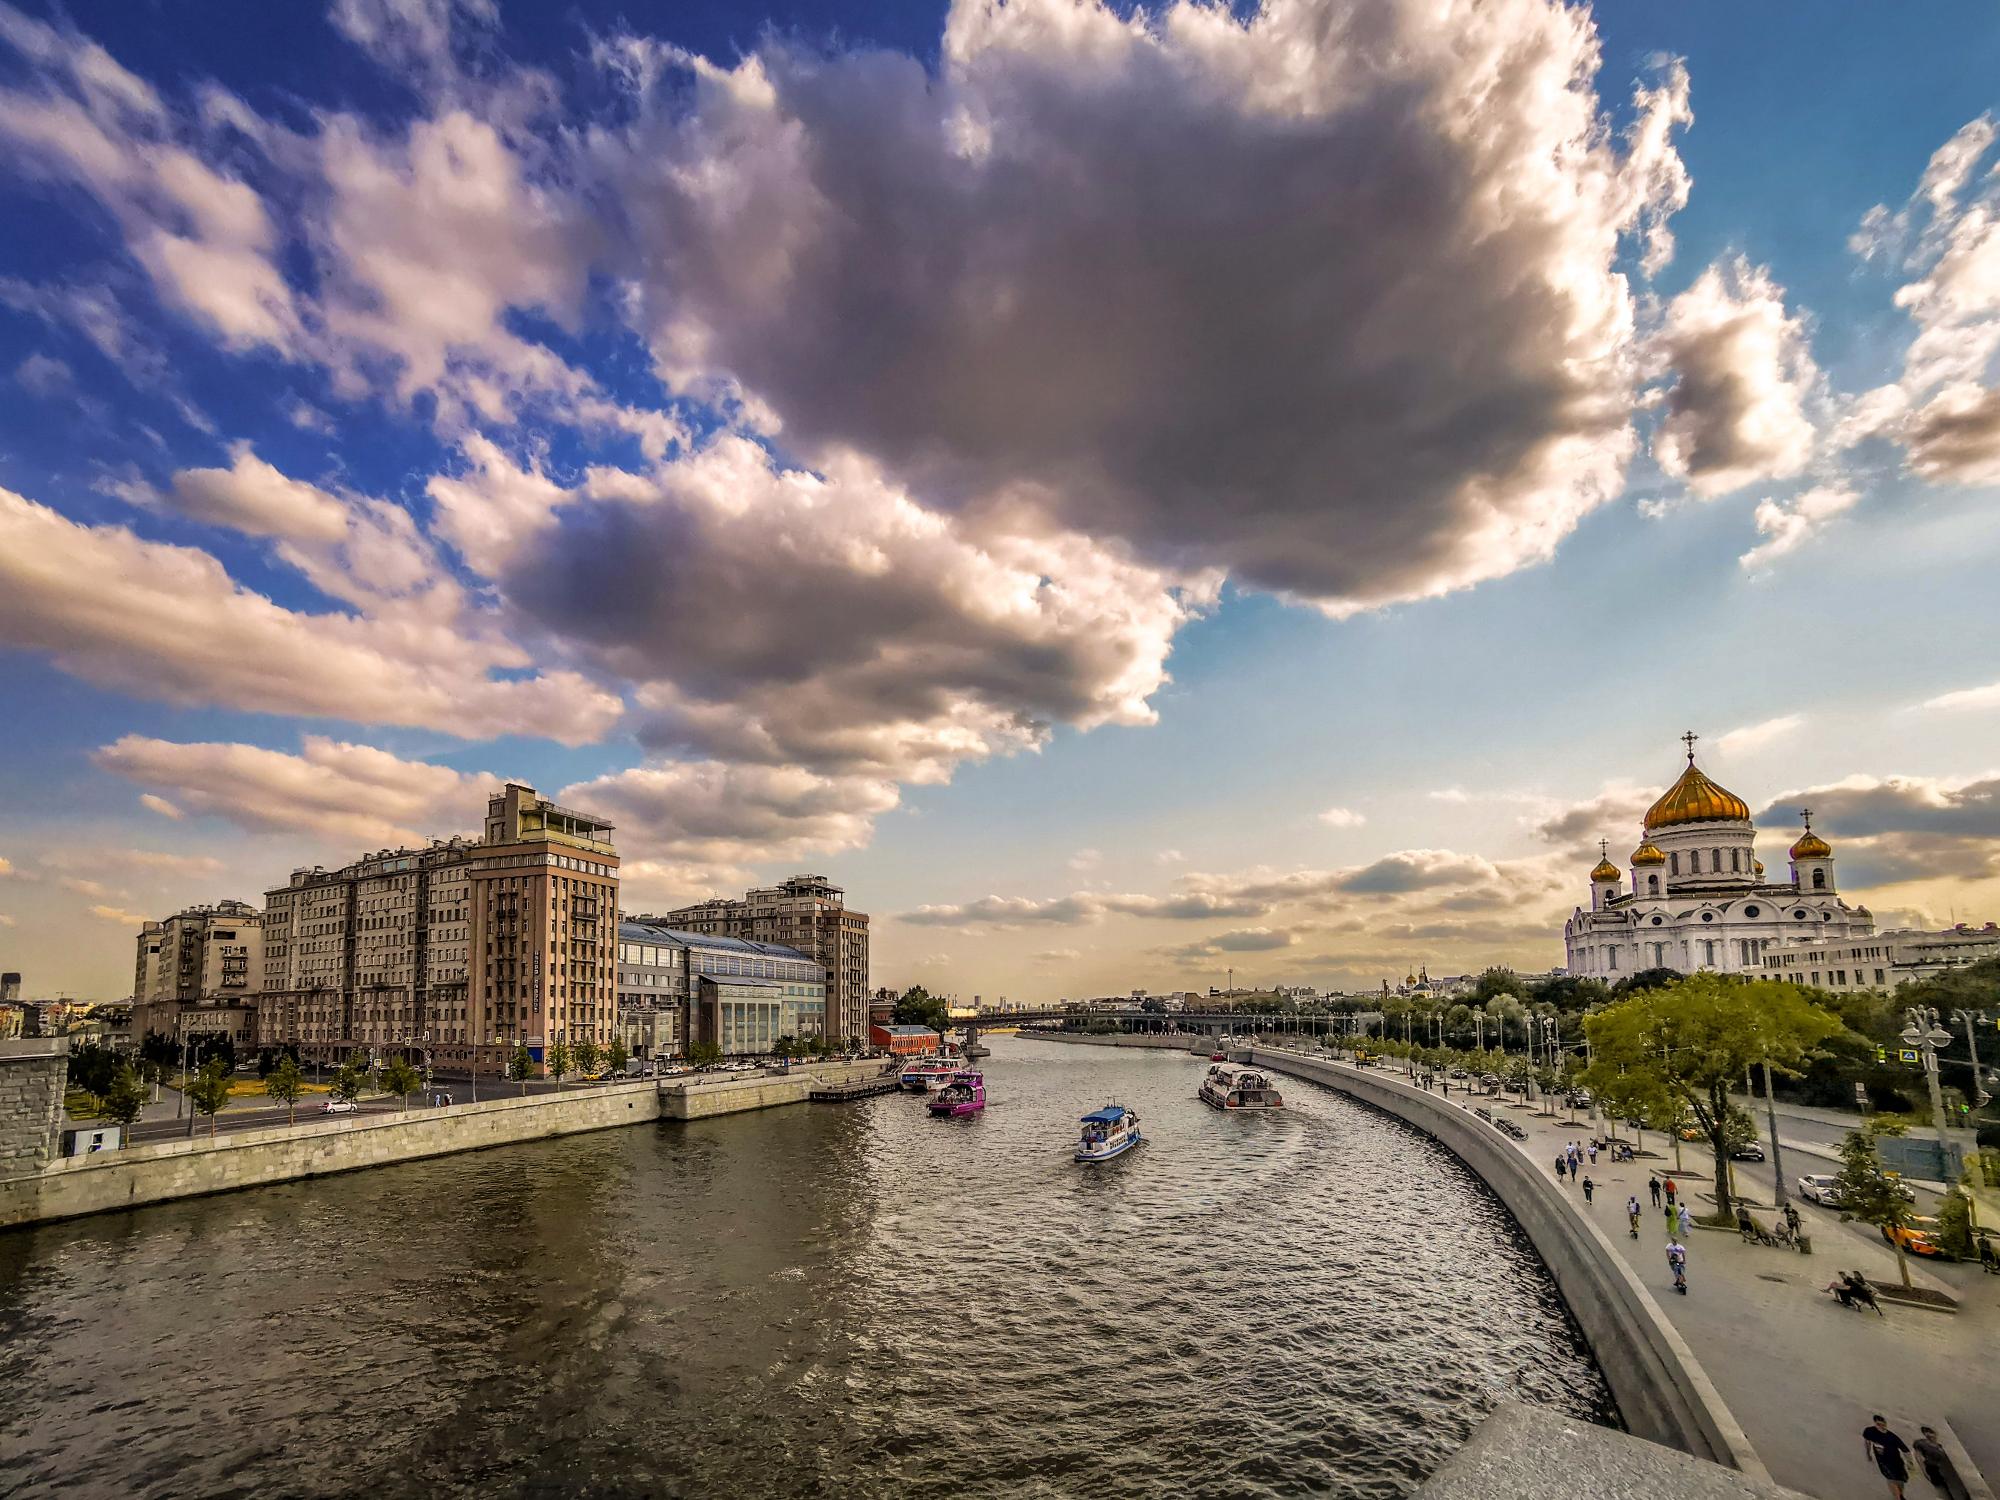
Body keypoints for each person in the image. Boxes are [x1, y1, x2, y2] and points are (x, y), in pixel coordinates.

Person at [1912, 1425, 1970, 1500]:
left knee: (1956, 1491)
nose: (1929, 1434)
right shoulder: (1921, 1443)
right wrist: (1925, 1473)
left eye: (1930, 1432)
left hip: (1946, 1471)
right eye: (1926, 1432)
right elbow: (1918, 1458)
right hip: (1933, 1469)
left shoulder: (1940, 1446)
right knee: (1943, 1491)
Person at [1862, 1415, 1911, 1498]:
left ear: (1885, 1423)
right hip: (1885, 1464)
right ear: (1875, 1423)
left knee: (1899, 1484)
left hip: (1897, 1463)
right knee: (1892, 1482)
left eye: (1882, 1424)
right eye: (1878, 1424)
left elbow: (1905, 1450)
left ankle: (1899, 1496)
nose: (1881, 1426)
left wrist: (1910, 1464)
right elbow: (1867, 1441)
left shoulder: (1892, 1437)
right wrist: (1868, 1453)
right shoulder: (1870, 1431)